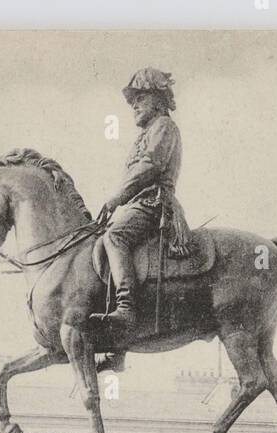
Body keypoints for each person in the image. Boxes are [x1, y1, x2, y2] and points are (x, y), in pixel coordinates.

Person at [92, 67, 191, 331]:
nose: (134, 105)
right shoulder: (146, 133)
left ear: (158, 99)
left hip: (154, 204)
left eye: (141, 98)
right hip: (139, 204)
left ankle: (126, 308)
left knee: (115, 237)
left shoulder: (164, 126)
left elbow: (149, 166)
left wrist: (116, 199)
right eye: (132, 100)